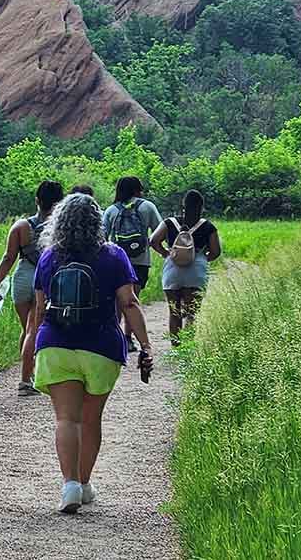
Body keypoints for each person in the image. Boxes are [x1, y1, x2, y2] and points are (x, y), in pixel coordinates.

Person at [33, 193, 153, 513]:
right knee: (90, 419)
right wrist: (146, 345)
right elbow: (129, 303)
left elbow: (39, 309)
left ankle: (69, 484)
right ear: (97, 222)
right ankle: (84, 482)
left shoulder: (48, 257)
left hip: (56, 345)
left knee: (66, 418)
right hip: (101, 348)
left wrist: (32, 345)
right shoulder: (113, 255)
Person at [0, 180, 64, 397]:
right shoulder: (60, 227)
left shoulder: (21, 226)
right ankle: (25, 381)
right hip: (45, 279)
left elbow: (8, 257)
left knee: (27, 328)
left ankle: (28, 371)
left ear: (37, 200)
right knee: (35, 329)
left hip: (22, 278)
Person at [149, 189, 221, 346]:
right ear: (202, 207)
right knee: (191, 313)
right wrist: (201, 259)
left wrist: (166, 253)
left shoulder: (169, 223)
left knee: (174, 313)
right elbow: (216, 251)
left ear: (183, 205)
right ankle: (187, 347)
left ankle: (175, 346)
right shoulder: (208, 226)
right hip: (196, 273)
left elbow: (153, 240)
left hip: (172, 271)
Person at [102, 177, 162, 352]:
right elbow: (160, 229)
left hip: (115, 260)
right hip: (140, 261)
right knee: (131, 299)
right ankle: (128, 339)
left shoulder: (111, 210)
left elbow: (102, 236)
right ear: (137, 190)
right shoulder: (147, 207)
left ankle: (115, 336)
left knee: (115, 301)